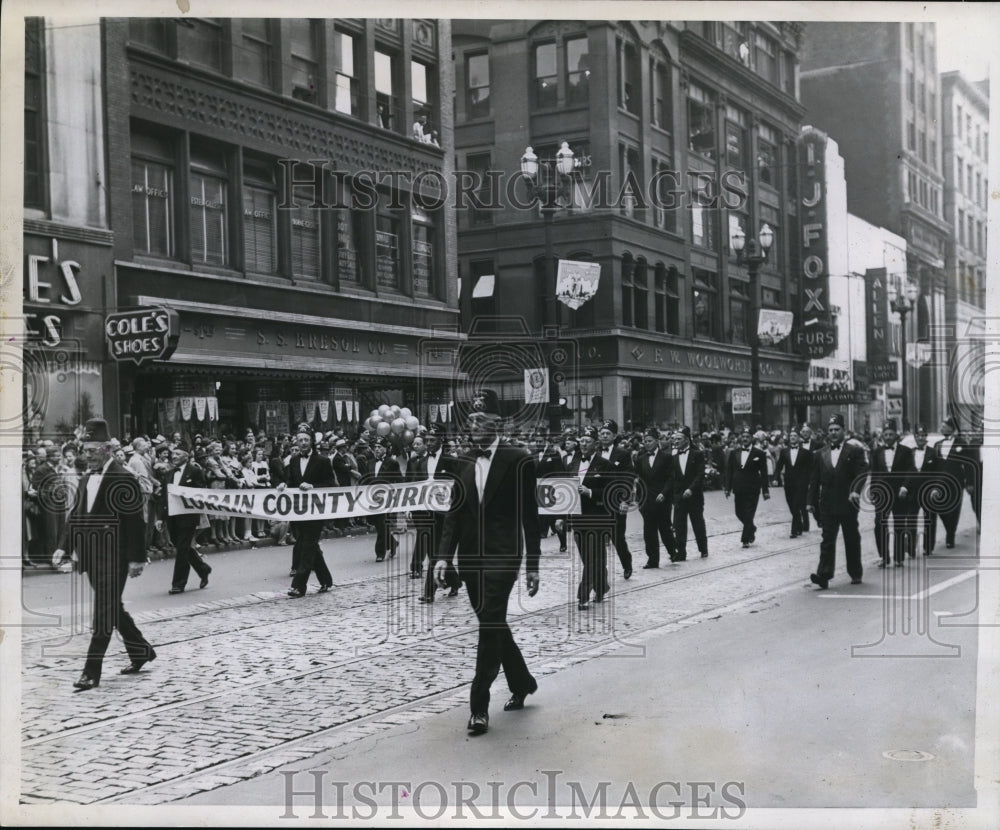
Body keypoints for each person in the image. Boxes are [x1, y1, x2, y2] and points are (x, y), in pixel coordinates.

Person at [434, 389, 541, 735]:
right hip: (471, 559)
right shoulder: (462, 461)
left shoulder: (518, 458)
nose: (473, 425)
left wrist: (533, 564)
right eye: (470, 420)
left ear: (498, 424)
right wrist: (442, 558)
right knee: (493, 624)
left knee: (488, 625)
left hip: (504, 556)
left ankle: (478, 707)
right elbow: (453, 513)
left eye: (480, 420)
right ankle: (522, 681)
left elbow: (530, 514)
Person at [51, 419, 156, 691]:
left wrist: (136, 558)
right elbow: (76, 517)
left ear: (108, 449)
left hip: (115, 557)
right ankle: (140, 650)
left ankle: (91, 671)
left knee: (103, 612)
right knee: (112, 609)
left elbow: (136, 522)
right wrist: (63, 545)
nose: (87, 455)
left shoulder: (123, 477)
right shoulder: (87, 478)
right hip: (90, 556)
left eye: (93, 450)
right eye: (85, 450)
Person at [806, 413, 869, 589]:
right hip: (827, 504)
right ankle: (824, 575)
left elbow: (862, 473)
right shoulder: (820, 454)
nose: (833, 433)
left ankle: (855, 572)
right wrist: (810, 501)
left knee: (851, 538)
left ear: (844, 431)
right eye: (831, 430)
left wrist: (856, 491)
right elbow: (814, 480)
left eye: (837, 429)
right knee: (827, 540)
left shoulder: (854, 451)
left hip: (848, 503)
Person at [281, 430, 335, 597]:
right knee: (310, 545)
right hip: (299, 511)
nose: (303, 443)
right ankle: (326, 580)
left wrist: (313, 487)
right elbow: (291, 481)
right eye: (300, 440)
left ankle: (298, 586)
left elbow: (331, 484)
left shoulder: (323, 461)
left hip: (316, 511)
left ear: (311, 442)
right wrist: (283, 486)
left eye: (306, 440)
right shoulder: (294, 460)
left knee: (307, 546)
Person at [413, 424, 461, 603]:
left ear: (441, 441)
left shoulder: (451, 461)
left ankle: (428, 593)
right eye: (427, 441)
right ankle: (454, 582)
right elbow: (414, 487)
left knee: (438, 553)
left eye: (433, 440)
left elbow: (458, 485)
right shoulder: (421, 463)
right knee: (434, 553)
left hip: (446, 515)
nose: (430, 444)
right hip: (427, 514)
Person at [566, 426, 613, 607]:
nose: (584, 444)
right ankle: (602, 586)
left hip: (598, 517)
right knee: (589, 557)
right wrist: (562, 517)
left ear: (596, 444)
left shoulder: (605, 465)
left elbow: (610, 491)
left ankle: (583, 595)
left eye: (588, 441)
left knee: (593, 556)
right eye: (582, 441)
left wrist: (591, 491)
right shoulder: (572, 464)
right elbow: (565, 491)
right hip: (578, 518)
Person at [870, 419, 916, 567]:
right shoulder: (877, 452)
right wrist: (873, 490)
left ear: (896, 435)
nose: (888, 437)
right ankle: (884, 557)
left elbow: (911, 470)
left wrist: (905, 487)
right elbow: (875, 473)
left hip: (900, 494)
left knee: (899, 525)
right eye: (886, 434)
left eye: (891, 434)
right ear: (882, 436)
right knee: (879, 524)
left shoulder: (906, 451)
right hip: (883, 494)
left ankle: (898, 557)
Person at [166, 449, 213, 594]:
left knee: (182, 548)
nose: (174, 456)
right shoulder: (170, 473)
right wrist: (161, 518)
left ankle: (178, 583)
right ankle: (203, 568)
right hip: (172, 515)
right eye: (173, 454)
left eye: (178, 454)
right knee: (180, 544)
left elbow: (200, 491)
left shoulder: (194, 471)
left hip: (188, 516)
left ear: (186, 457)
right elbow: (164, 495)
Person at [596, 420, 634, 579]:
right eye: (602, 433)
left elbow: (628, 478)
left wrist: (626, 500)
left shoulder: (623, 455)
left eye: (608, 434)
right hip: (597, 503)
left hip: (616, 502)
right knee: (598, 539)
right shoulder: (594, 453)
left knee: (617, 538)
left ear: (615, 436)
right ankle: (600, 572)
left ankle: (627, 564)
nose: (604, 436)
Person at [933, 416, 978, 548]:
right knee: (940, 507)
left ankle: (950, 535)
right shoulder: (937, 444)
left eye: (944, 425)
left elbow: (969, 464)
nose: (941, 428)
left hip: (956, 482)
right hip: (939, 483)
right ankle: (949, 529)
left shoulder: (961, 443)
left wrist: (970, 482)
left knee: (954, 508)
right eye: (941, 425)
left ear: (952, 428)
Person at [635, 428, 675, 571]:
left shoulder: (666, 458)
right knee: (649, 531)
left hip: (662, 499)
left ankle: (672, 551)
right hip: (647, 500)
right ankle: (653, 559)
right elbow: (638, 480)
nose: (647, 444)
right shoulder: (640, 459)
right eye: (645, 441)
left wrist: (664, 493)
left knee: (665, 528)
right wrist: (639, 499)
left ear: (657, 442)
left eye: (650, 441)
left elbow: (671, 478)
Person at [724, 427, 771, 548]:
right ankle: (751, 528)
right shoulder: (734, 453)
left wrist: (765, 491)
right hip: (738, 488)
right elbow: (729, 471)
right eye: (743, 436)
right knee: (739, 512)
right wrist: (727, 488)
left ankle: (745, 539)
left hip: (753, 489)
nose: (745, 439)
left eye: (747, 437)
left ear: (752, 439)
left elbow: (764, 473)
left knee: (749, 513)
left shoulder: (759, 453)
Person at [669, 427, 708, 561]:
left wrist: (691, 489)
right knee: (679, 526)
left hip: (694, 496)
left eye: (679, 439)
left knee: (697, 523)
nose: (676, 441)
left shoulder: (697, 454)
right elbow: (671, 478)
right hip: (679, 497)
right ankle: (681, 552)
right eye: (674, 439)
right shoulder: (673, 457)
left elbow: (700, 474)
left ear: (687, 440)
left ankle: (703, 549)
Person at [774, 431, 813, 538]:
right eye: (791, 436)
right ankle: (799, 523)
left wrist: (810, 482)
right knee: (791, 504)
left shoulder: (806, 452)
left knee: (796, 504)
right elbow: (779, 466)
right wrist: (776, 478)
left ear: (799, 438)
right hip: (789, 482)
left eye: (795, 436)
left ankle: (794, 530)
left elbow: (811, 468)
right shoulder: (784, 451)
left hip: (801, 483)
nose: (792, 437)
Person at [910, 424, 941, 555]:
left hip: (928, 490)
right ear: (915, 437)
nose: (921, 438)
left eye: (923, 435)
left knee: (929, 518)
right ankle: (911, 548)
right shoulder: (909, 452)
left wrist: (935, 488)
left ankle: (928, 547)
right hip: (913, 492)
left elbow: (938, 472)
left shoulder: (933, 452)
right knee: (911, 518)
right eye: (918, 435)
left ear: (926, 437)